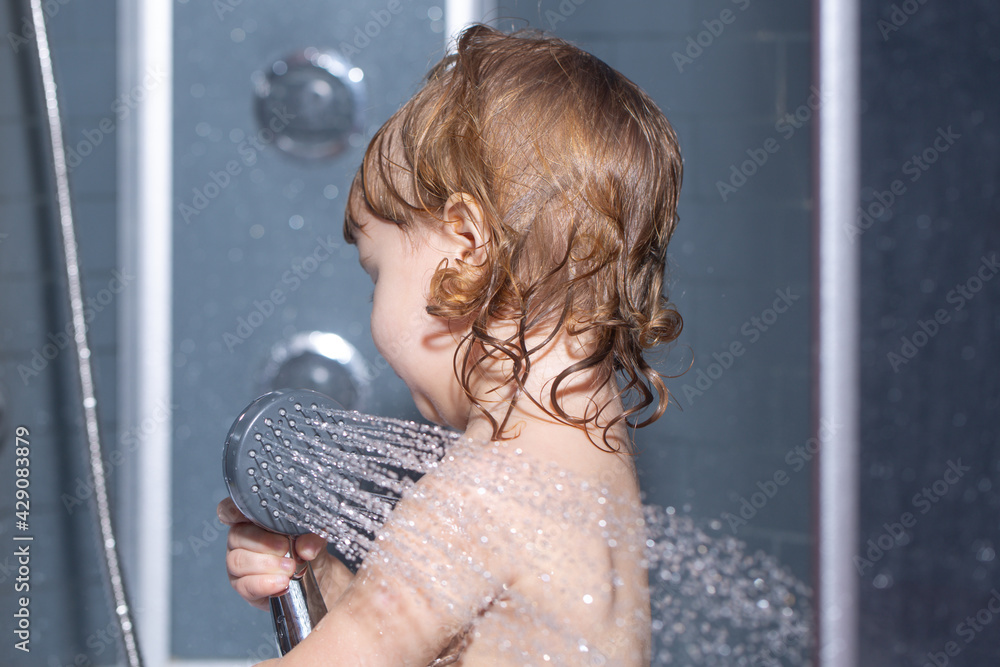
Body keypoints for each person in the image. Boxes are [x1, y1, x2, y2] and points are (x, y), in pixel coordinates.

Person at [217, 23, 684, 665]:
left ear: (464, 248)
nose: (373, 308)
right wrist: (317, 580)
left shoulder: (476, 496)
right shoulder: (590, 463)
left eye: (378, 274)